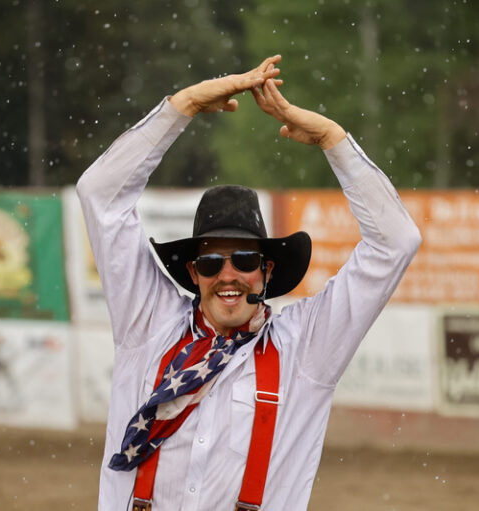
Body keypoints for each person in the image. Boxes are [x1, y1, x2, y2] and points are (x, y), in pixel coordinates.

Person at [77, 55, 421, 511]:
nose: (228, 275)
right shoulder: (149, 322)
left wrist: (331, 139)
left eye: (243, 259)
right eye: (211, 262)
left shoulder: (306, 347)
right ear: (192, 272)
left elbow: (396, 243)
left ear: (267, 271)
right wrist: (183, 106)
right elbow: (100, 196)